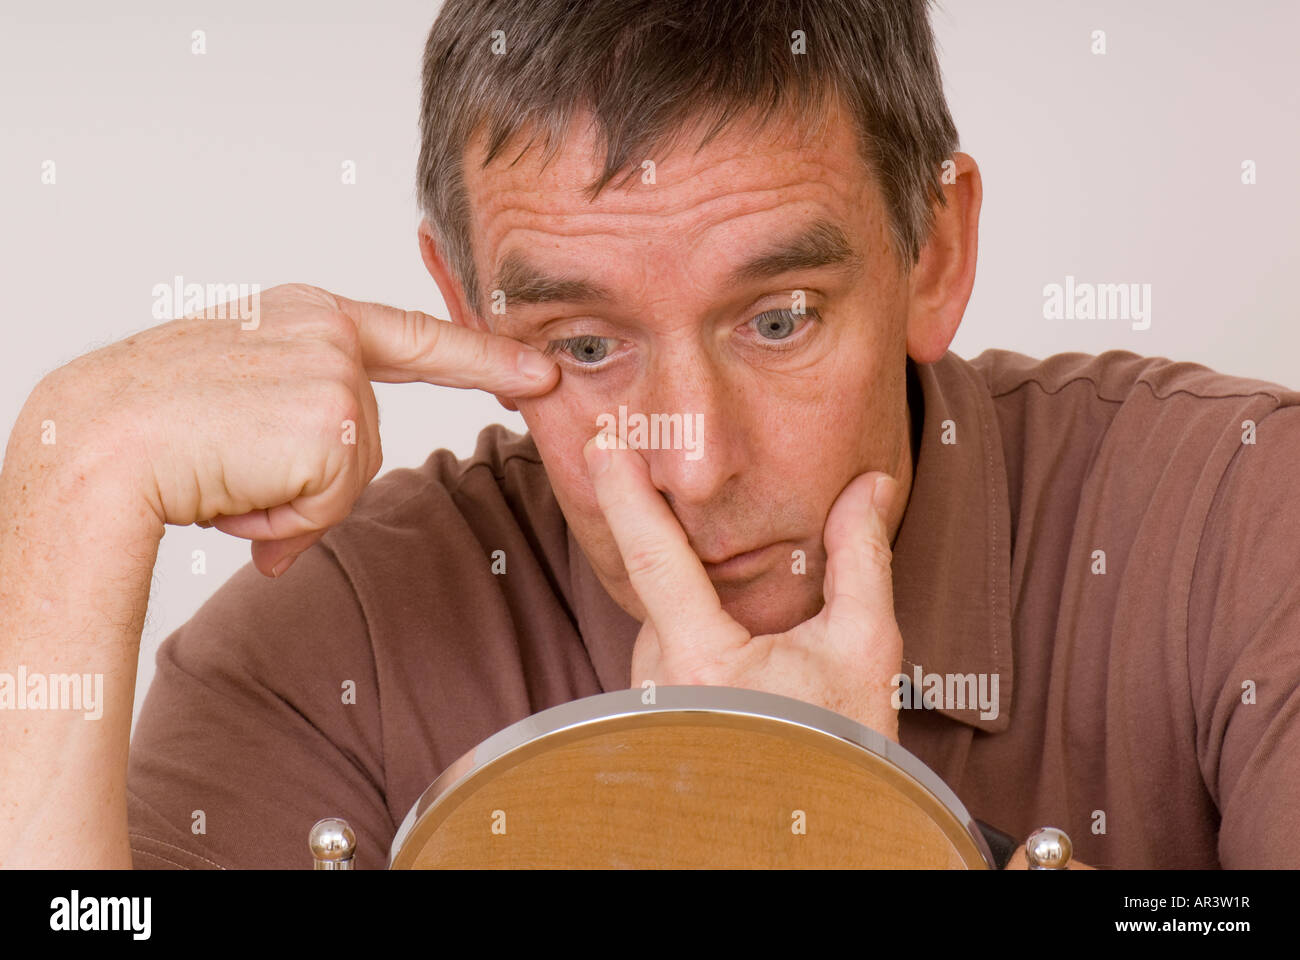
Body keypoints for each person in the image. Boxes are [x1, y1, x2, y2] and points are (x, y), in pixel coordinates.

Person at [2, 0, 1297, 870]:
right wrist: (71, 486)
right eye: (582, 344)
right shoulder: (320, 656)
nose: (694, 461)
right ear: (465, 309)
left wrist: (789, 807)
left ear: (934, 252)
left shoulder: (1248, 524)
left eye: (779, 319)